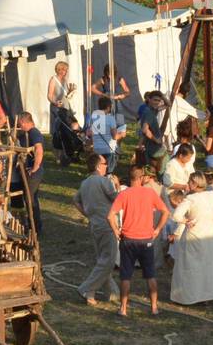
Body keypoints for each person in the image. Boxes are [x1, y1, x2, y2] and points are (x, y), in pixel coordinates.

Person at [109, 166, 171, 317]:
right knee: (150, 275)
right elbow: (165, 211)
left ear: (130, 177)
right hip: (146, 240)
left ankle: (123, 308)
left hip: (128, 239)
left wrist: (116, 230)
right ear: (142, 177)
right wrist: (157, 229)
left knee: (126, 276)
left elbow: (110, 215)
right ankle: (154, 307)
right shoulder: (150, 193)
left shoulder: (124, 194)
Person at [168, 171, 213, 305]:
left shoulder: (190, 199)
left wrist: (186, 221)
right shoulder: (211, 196)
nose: (187, 184)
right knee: (208, 265)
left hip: (194, 235)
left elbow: (176, 216)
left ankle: (191, 295)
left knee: (191, 266)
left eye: (189, 182)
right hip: (209, 235)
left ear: (194, 183)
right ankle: (207, 296)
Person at [73, 153, 120, 307]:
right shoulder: (103, 181)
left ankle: (110, 293)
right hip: (107, 225)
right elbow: (117, 199)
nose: (107, 165)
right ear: (98, 166)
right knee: (108, 261)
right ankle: (86, 288)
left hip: (95, 224)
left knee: (102, 260)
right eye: (105, 163)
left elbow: (75, 199)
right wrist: (118, 186)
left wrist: (87, 213)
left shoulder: (85, 183)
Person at [15, 112, 45, 235]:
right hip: (28, 170)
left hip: (33, 171)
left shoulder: (34, 132)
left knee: (29, 198)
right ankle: (35, 225)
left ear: (24, 122)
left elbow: (39, 149)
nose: (19, 126)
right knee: (31, 198)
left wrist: (35, 167)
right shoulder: (25, 134)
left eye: (19, 124)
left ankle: (35, 227)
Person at [87, 95, 125, 173]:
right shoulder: (110, 119)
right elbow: (114, 136)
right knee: (108, 172)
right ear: (108, 107)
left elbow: (91, 133)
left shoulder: (93, 118)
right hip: (108, 149)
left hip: (97, 149)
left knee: (99, 170)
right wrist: (122, 134)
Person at [138, 91, 166, 171]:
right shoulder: (149, 113)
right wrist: (156, 140)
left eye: (158, 100)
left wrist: (161, 95)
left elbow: (168, 104)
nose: (157, 102)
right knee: (160, 167)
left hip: (150, 146)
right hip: (152, 147)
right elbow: (145, 130)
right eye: (155, 100)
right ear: (149, 99)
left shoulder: (153, 110)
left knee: (152, 169)